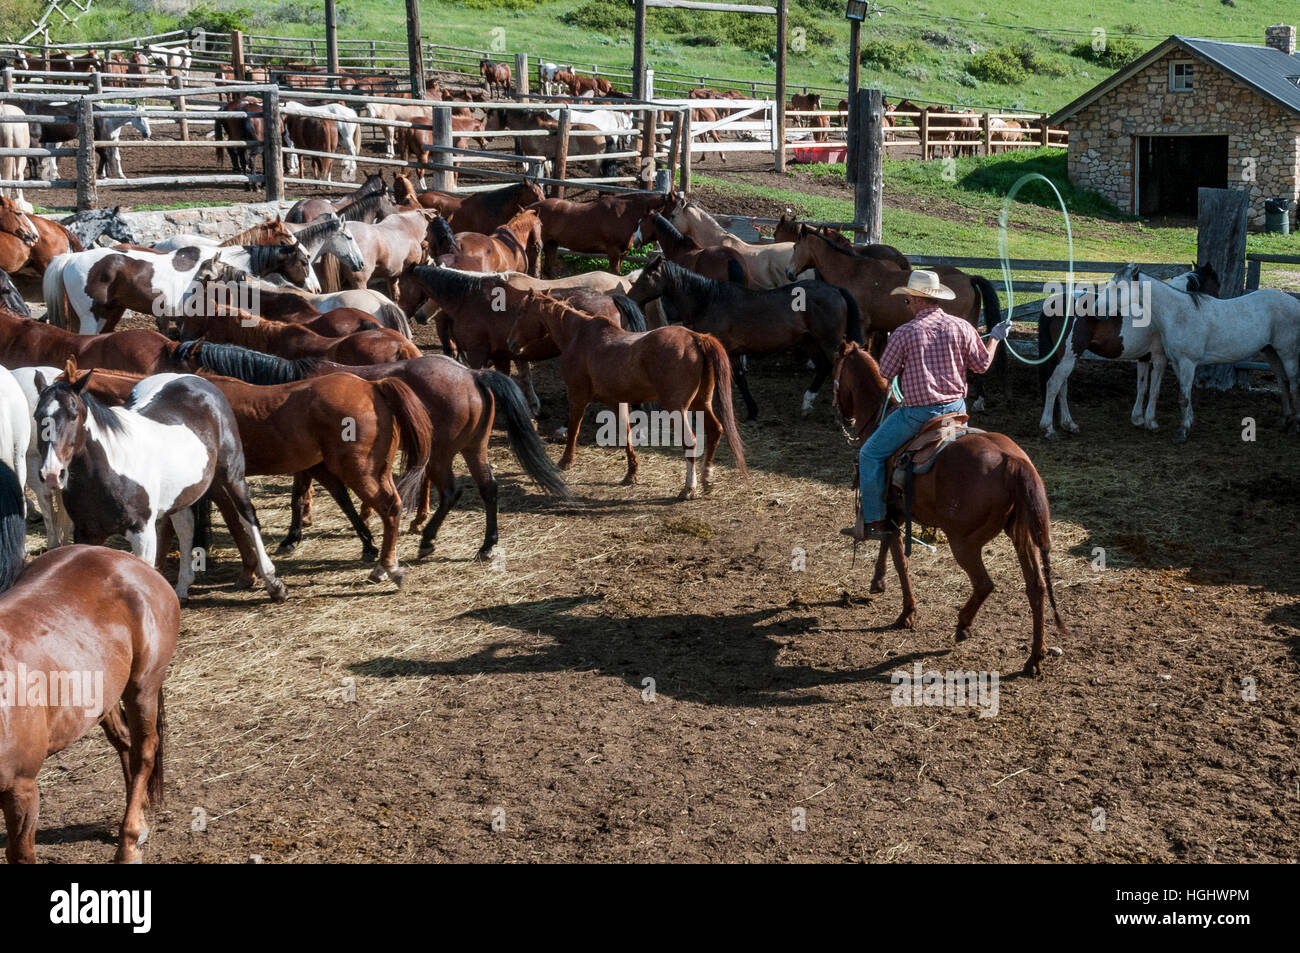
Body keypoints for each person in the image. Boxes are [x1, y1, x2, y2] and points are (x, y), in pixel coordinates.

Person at [842, 269, 1010, 541]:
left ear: (919, 300)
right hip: (957, 410)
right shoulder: (962, 327)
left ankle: (874, 521)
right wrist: (995, 338)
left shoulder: (904, 333)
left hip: (918, 414)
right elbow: (982, 365)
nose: (907, 304)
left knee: (870, 454)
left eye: (908, 300)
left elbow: (885, 372)